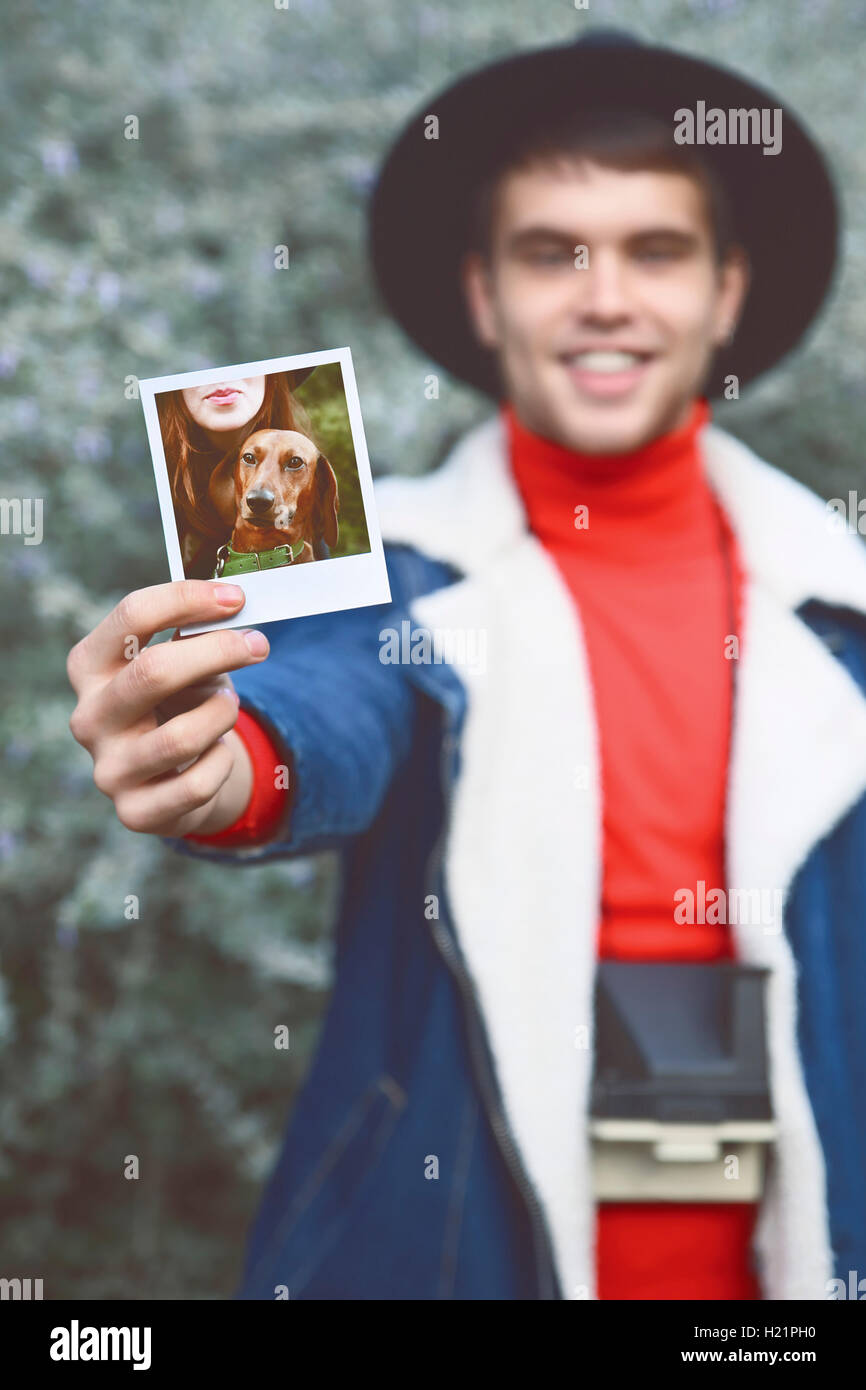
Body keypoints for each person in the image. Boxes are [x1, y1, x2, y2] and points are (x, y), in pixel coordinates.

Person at [67, 30, 866, 1300]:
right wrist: (225, 763)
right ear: (485, 296)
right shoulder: (397, 571)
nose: (603, 297)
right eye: (552, 253)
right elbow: (323, 703)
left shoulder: (835, 602)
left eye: (654, 251)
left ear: (725, 294)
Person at [157, 369, 316, 579]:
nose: (219, 376)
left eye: (240, 362)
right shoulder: (155, 491)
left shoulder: (305, 486)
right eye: (195, 367)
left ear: (271, 376)